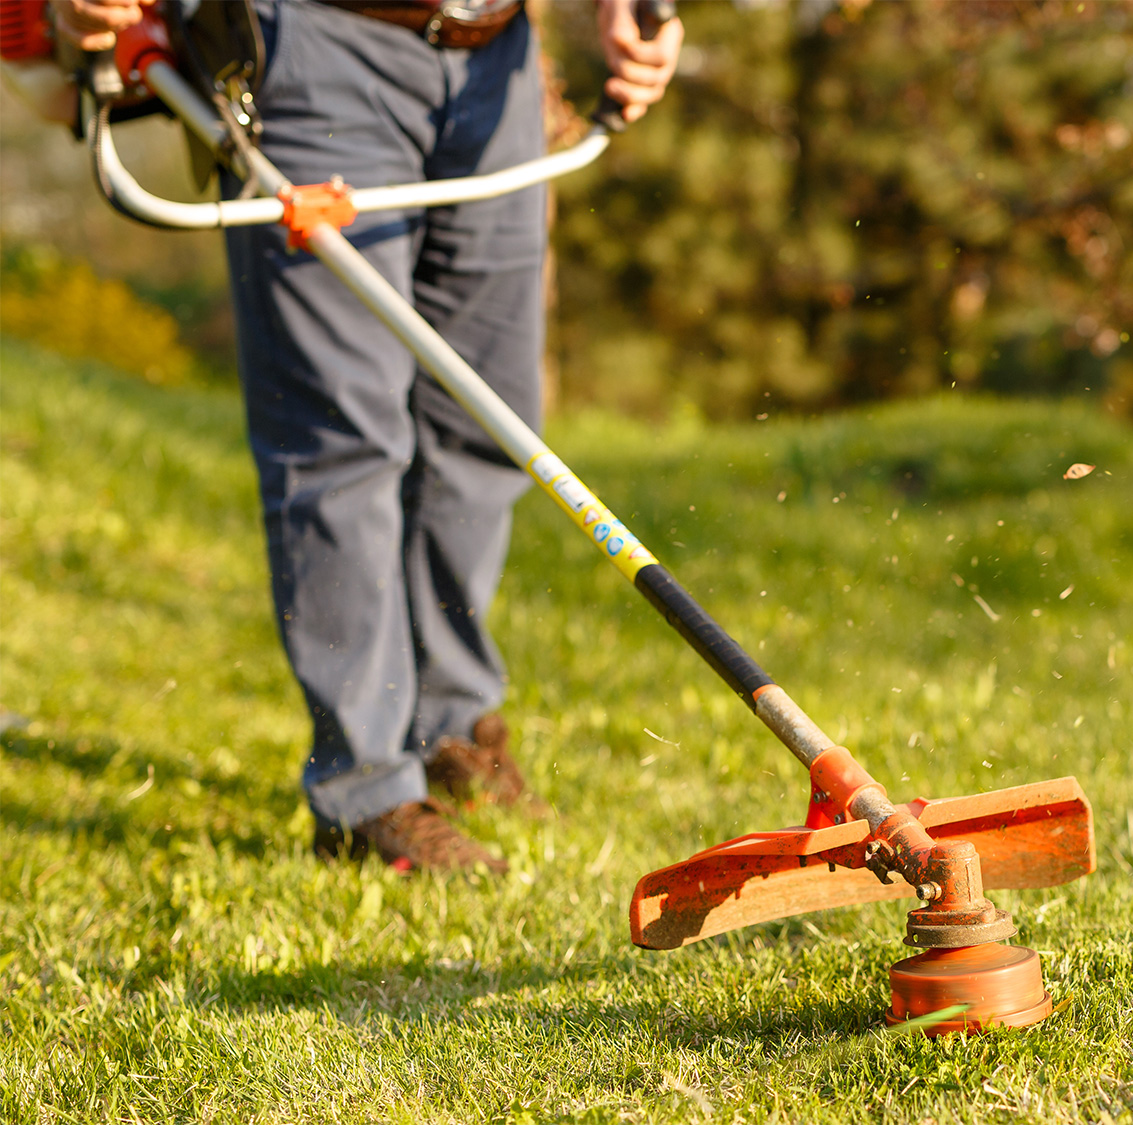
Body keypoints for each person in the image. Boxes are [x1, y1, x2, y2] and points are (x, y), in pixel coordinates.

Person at [50, 0, 683, 873]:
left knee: (483, 421)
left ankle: (450, 729)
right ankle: (366, 794)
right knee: (340, 439)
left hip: (495, 57)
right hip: (315, 48)